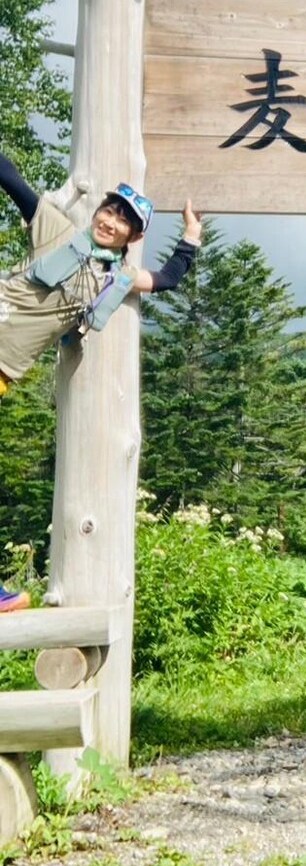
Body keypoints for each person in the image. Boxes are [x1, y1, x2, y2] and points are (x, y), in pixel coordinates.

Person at [0, 148, 203, 613]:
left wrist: (191, 236)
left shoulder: (118, 278)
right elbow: (12, 180)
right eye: (110, 209)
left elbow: (168, 278)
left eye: (123, 219)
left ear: (133, 235)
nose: (111, 220)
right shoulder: (58, 232)